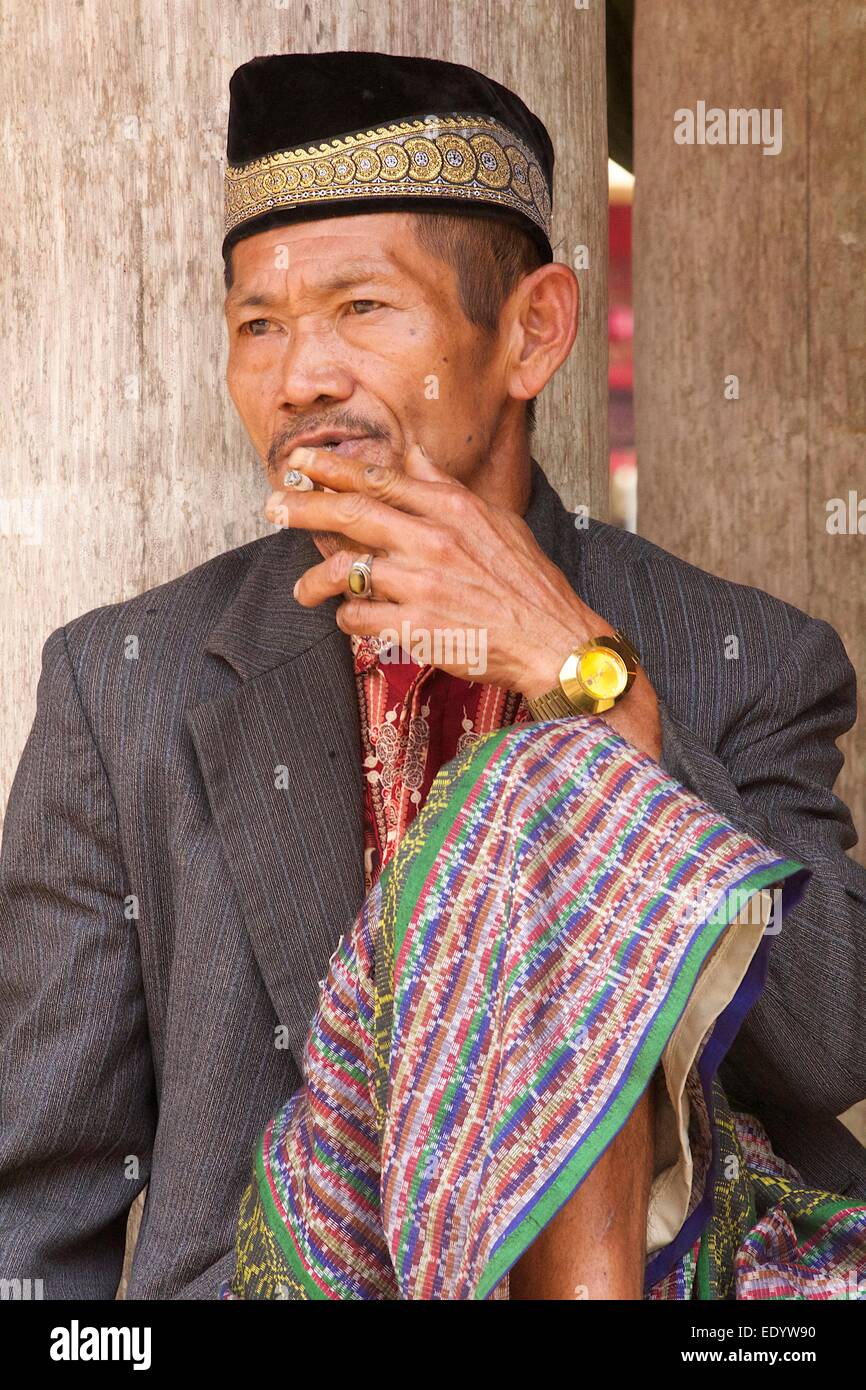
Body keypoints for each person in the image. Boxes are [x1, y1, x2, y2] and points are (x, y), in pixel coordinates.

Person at [0, 50, 864, 1301]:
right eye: (258, 324)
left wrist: (587, 680)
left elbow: (826, 1038)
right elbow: (37, 1197)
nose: (299, 376)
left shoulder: (741, 655)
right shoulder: (120, 684)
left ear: (531, 332)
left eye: (360, 308)